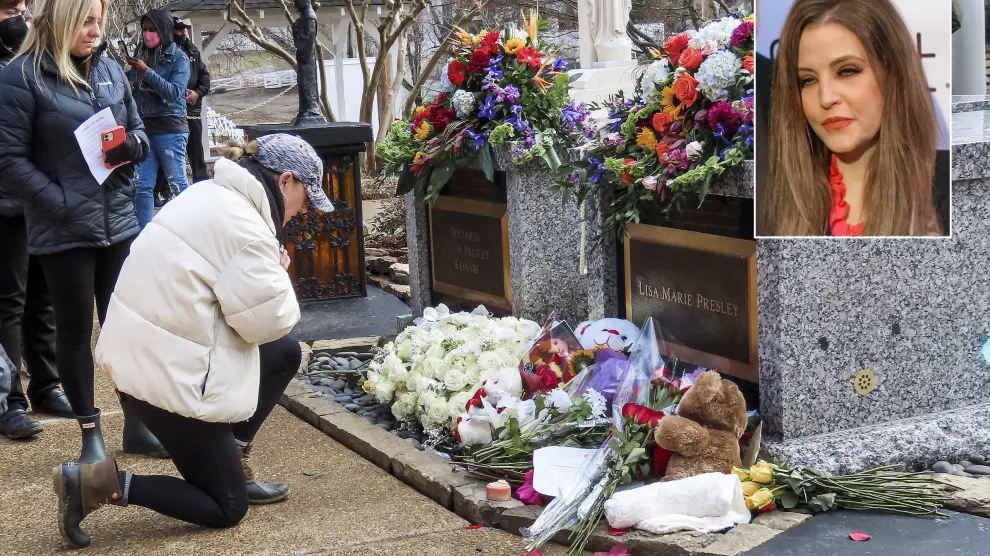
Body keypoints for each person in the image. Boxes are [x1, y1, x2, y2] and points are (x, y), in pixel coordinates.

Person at [53, 134, 333, 548]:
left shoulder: (208, 193)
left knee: (283, 354)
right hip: (166, 384)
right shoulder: (247, 230)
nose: (303, 213)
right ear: (286, 181)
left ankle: (231, 458)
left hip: (143, 360)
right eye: (307, 200)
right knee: (227, 507)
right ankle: (99, 483)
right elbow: (269, 322)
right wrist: (280, 271)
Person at [0, 0, 167, 461]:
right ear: (60, 20)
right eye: (86, 21)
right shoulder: (20, 78)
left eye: (99, 21)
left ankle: (136, 425)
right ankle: (90, 436)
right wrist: (59, 203)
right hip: (65, 228)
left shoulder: (111, 71)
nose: (95, 31)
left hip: (118, 221)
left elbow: (138, 130)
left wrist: (132, 146)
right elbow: (9, 161)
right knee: (74, 333)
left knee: (125, 329)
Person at [762, 0, 949, 237]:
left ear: (894, 73)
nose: (826, 98)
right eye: (808, 80)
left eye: (847, 71)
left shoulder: (951, 186)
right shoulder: (779, 200)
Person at [0, 0, 76, 441]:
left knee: (42, 297)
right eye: (11, 7)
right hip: (7, 201)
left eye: (25, 7)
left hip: (43, 199)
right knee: (9, 301)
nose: (21, 15)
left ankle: (46, 385)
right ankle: (9, 399)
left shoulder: (36, 58)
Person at [127, 8, 191, 229]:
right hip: (143, 129)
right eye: (144, 30)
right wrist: (129, 85)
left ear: (163, 30)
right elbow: (134, 88)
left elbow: (173, 92)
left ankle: (187, 230)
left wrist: (146, 72)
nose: (147, 35)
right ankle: (143, 236)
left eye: (152, 30)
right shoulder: (141, 54)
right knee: (142, 185)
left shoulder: (180, 58)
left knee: (177, 183)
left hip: (170, 129)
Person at [173, 17, 211, 183]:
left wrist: (197, 93)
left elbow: (205, 78)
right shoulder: (162, 51)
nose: (182, 33)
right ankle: (164, 189)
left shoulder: (193, 51)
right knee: (170, 151)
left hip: (192, 109)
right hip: (171, 111)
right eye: (178, 29)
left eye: (184, 29)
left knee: (196, 149)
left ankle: (201, 181)